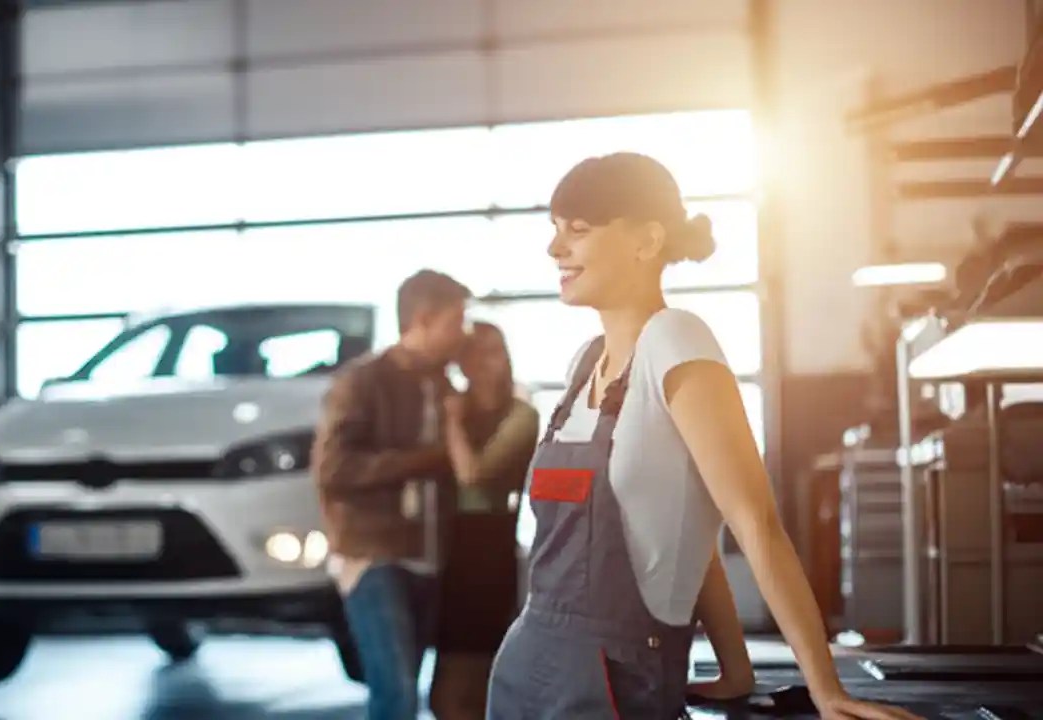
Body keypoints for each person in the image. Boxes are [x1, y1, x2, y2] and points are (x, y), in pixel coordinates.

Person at [485, 153, 921, 720]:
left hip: (612, 682)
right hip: (523, 667)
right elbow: (684, 535)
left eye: (579, 229)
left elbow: (755, 522)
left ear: (646, 241)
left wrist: (826, 690)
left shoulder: (675, 339)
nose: (555, 248)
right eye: (555, 228)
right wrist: (735, 669)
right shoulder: (583, 365)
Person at [312, 269, 470, 720]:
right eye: (454, 322)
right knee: (394, 691)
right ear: (422, 320)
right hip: (373, 554)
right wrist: (429, 458)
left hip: (428, 554)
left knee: (404, 688)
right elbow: (334, 469)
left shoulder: (443, 384)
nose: (461, 334)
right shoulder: (361, 382)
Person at [430, 322, 540, 720]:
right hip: (445, 545)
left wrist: (452, 423)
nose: (485, 362)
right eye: (474, 353)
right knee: (445, 682)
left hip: (488, 546)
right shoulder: (454, 404)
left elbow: (473, 474)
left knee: (478, 673)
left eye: (493, 351)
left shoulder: (520, 414)